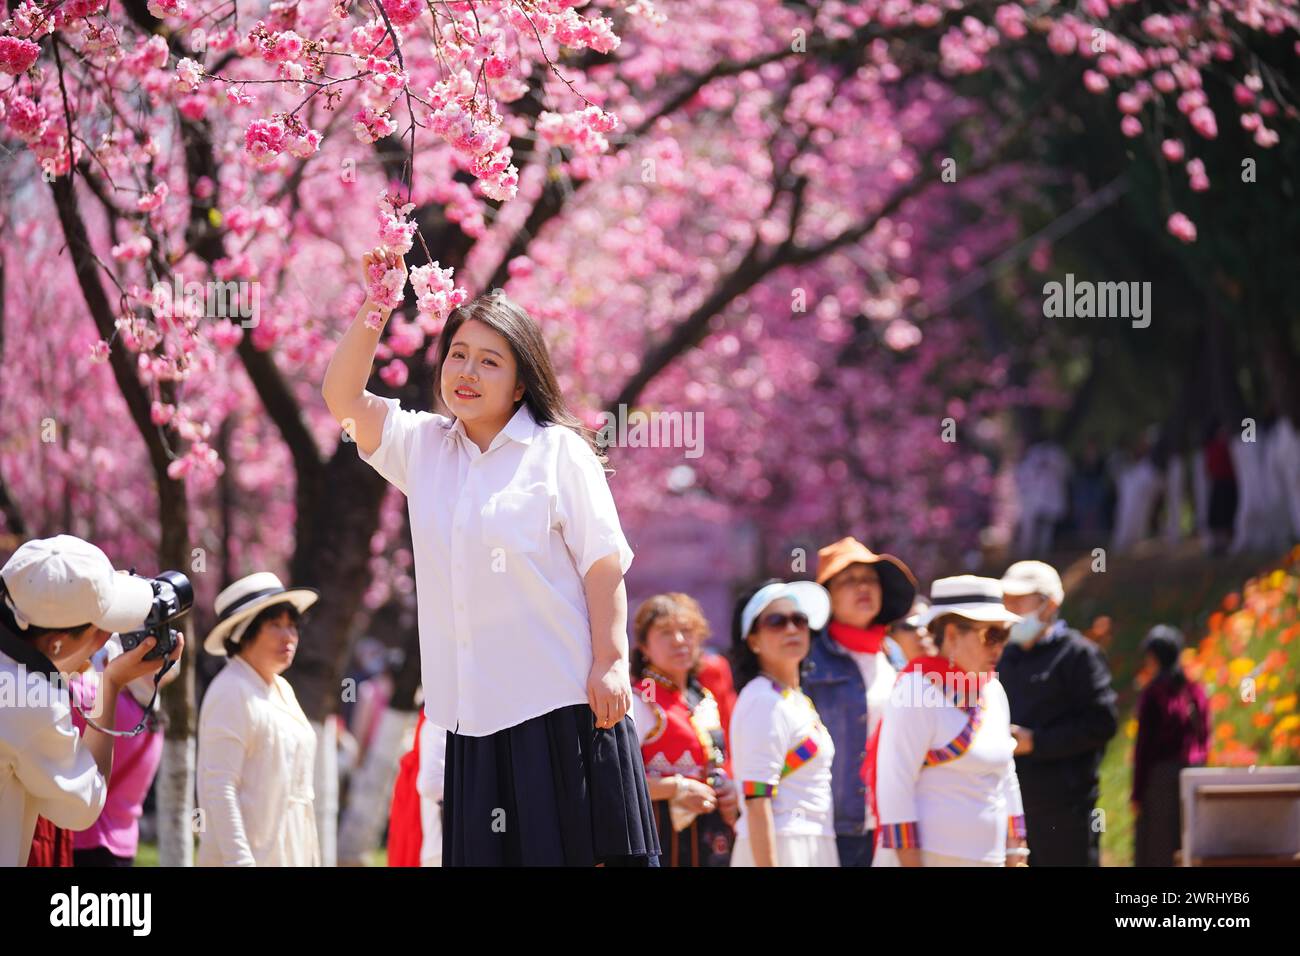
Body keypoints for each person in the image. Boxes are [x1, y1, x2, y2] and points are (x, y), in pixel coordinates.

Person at [322, 252, 658, 866]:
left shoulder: (559, 452)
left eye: (489, 361)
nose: (466, 372)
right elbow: (342, 397)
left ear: (522, 382)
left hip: (558, 711)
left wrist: (612, 661)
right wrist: (379, 299)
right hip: (468, 720)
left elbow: (603, 562)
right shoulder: (423, 447)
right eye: (457, 355)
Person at [0, 535, 182, 867]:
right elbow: (83, 806)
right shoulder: (29, 699)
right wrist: (110, 684)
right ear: (56, 642)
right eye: (101, 630)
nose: (108, 641)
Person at [872, 575, 1028, 867]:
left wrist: (1016, 852)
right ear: (953, 634)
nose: (999, 647)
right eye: (990, 635)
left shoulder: (993, 690)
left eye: (1004, 635)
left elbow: (1006, 774)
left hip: (990, 859)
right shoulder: (916, 690)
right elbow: (895, 786)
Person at [803, 537, 917, 867]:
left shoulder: (893, 654)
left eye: (869, 579)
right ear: (827, 597)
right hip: (835, 824)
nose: (862, 587)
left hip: (889, 821)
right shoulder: (808, 660)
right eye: (849, 581)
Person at [196, 572, 321, 867]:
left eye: (292, 626)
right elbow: (220, 788)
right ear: (244, 632)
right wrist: (241, 861)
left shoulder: (281, 689)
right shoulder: (231, 691)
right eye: (275, 625)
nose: (288, 636)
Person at [998, 560, 1117, 866]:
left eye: (1018, 600)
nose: (1010, 609)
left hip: (1066, 810)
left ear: (1050, 604)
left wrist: (1037, 742)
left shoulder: (1078, 655)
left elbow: (1102, 723)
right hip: (1011, 807)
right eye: (1005, 600)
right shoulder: (1003, 658)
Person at [729, 580, 838, 867]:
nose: (791, 629)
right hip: (781, 847)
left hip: (813, 842)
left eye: (799, 620)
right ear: (752, 640)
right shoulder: (762, 699)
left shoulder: (795, 699)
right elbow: (756, 800)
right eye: (776, 621)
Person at [629, 593, 736, 867]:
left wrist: (727, 789)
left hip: (709, 835)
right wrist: (676, 787)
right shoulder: (640, 700)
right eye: (665, 632)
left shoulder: (703, 697)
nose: (679, 640)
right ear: (643, 646)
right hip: (659, 836)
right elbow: (619, 783)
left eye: (687, 631)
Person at [67, 638, 181, 866]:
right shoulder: (152, 719)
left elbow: (51, 686)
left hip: (85, 843)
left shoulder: (107, 702)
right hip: (123, 846)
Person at [1132, 625, 1209, 867]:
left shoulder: (1153, 693)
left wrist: (1137, 792)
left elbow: (1144, 748)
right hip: (1194, 774)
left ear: (1153, 657)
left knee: (1158, 850)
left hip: (1160, 782)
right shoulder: (1195, 690)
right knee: (1188, 845)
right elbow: (1205, 736)